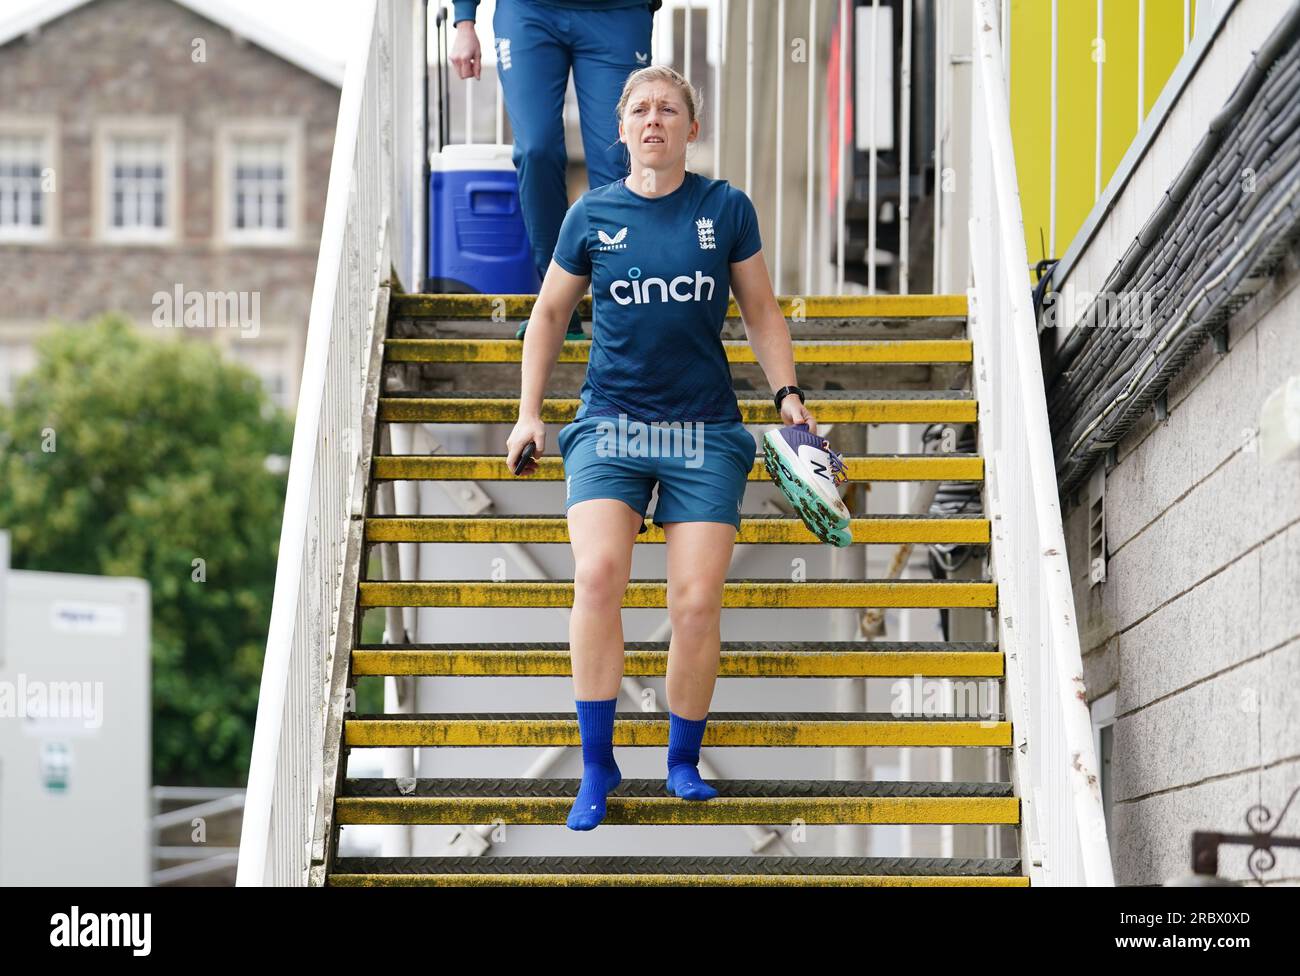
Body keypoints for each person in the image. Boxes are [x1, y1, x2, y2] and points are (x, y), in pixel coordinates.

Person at [504, 64, 819, 831]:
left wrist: (789, 400)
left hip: (705, 431)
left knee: (696, 601)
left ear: (690, 128)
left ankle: (680, 759)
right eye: (640, 109)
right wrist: (527, 415)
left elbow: (762, 312)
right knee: (599, 575)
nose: (654, 120)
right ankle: (596, 765)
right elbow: (548, 316)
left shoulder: (724, 209)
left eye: (669, 109)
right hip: (610, 425)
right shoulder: (592, 214)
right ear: (621, 130)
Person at [449, 0, 663, 339]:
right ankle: (557, 304)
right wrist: (464, 20)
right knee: (536, 150)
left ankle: (622, 306)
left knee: (618, 159)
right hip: (528, 12)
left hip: (617, 15)